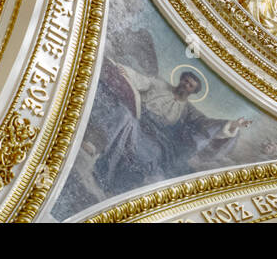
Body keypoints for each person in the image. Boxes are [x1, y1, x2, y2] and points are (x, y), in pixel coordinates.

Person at [91, 63, 250, 193]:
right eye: (185, 81)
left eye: (190, 85)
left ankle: (116, 186)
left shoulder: (188, 110)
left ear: (193, 91)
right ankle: (102, 166)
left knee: (148, 156)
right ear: (180, 80)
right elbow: (141, 80)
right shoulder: (160, 85)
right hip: (137, 120)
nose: (185, 85)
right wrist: (125, 71)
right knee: (125, 119)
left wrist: (232, 125)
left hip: (154, 138)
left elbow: (205, 123)